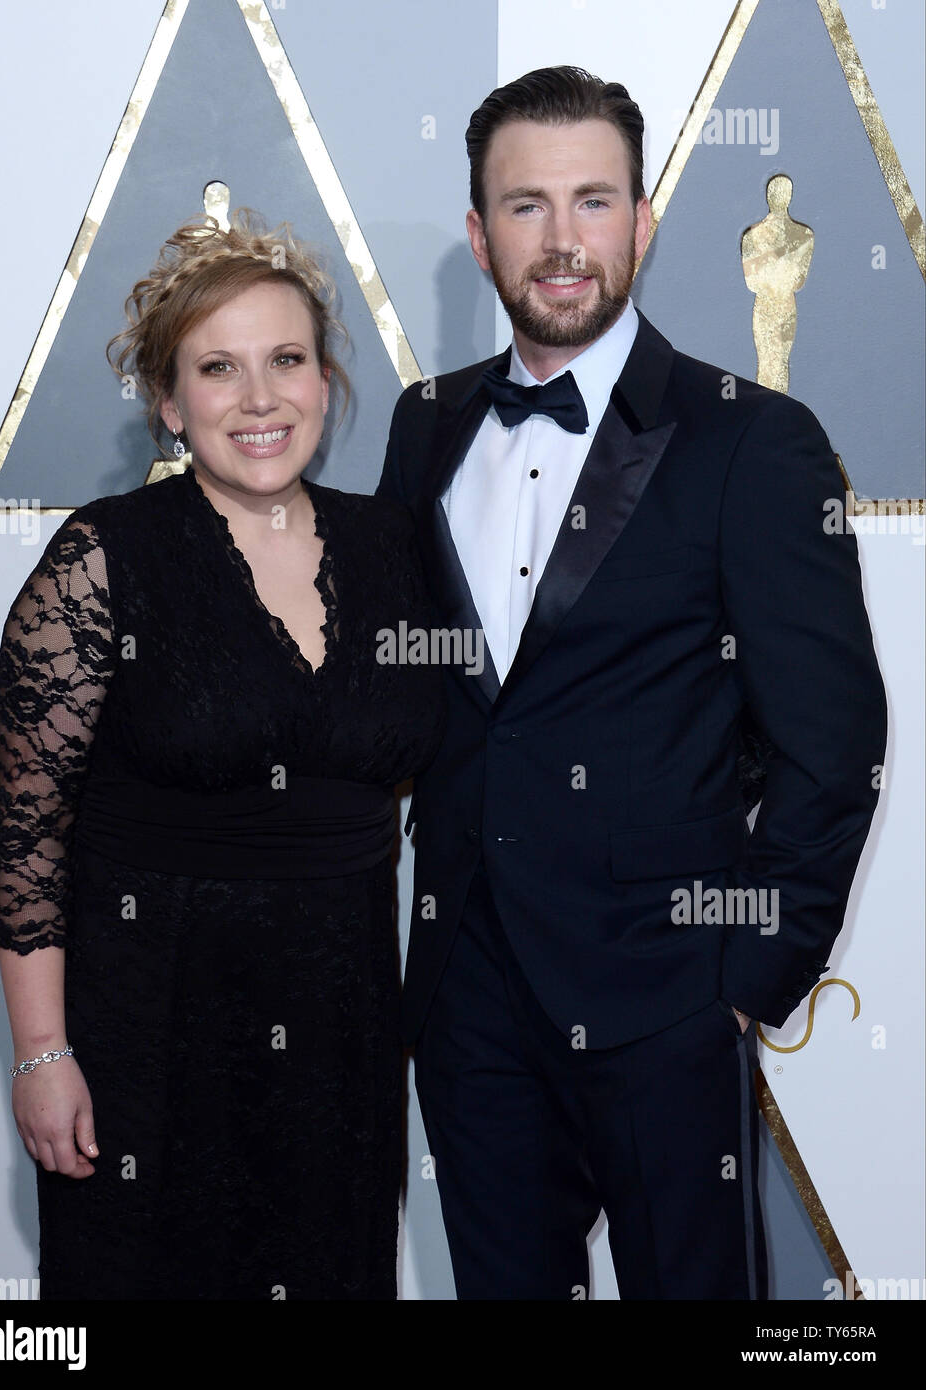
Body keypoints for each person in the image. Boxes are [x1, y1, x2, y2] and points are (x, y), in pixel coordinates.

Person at [377, 66, 887, 1300]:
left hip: (667, 999)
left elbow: (833, 741)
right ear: (478, 232)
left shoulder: (752, 438)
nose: (561, 242)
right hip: (470, 1004)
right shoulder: (424, 423)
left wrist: (741, 979)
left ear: (643, 222)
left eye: (593, 201)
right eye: (526, 206)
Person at [0, 209, 445, 1300]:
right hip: (148, 1033)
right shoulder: (102, 559)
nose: (258, 398)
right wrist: (44, 1054)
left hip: (339, 1033)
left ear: (325, 382)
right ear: (168, 402)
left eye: (285, 360)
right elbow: (29, 838)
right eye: (217, 368)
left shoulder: (391, 547)